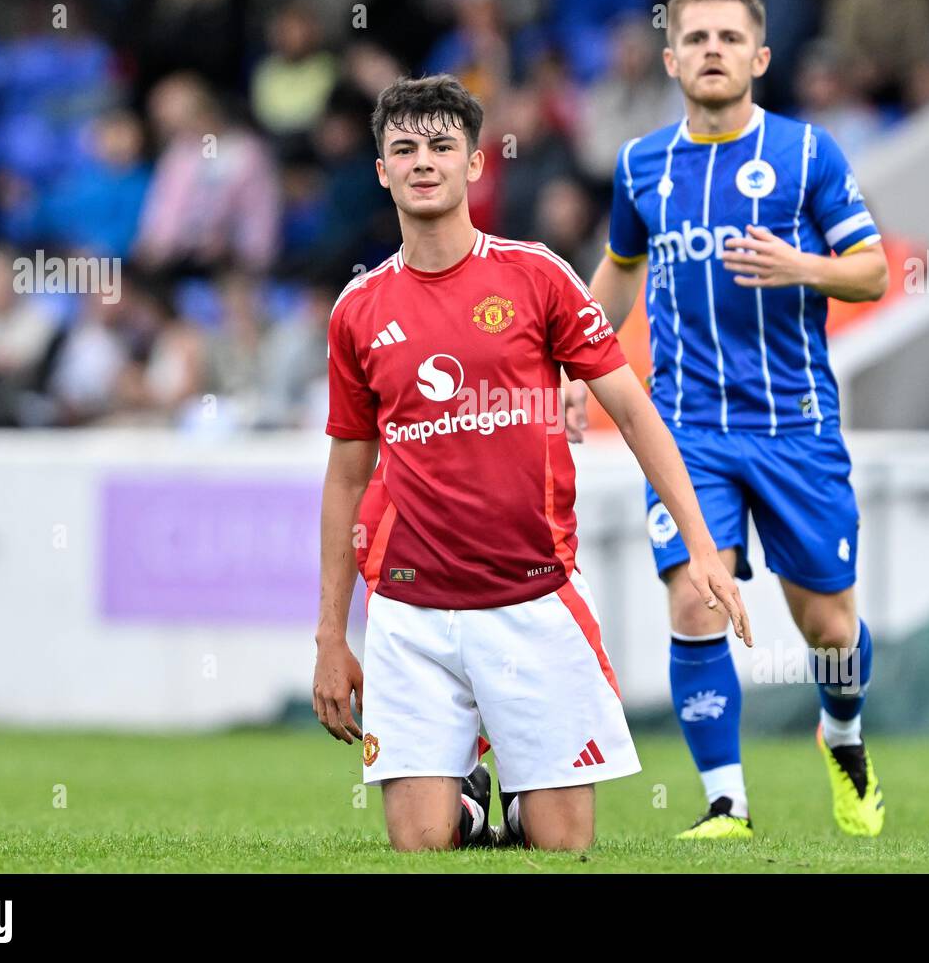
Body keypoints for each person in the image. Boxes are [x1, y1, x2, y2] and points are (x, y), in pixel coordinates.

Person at [311, 74, 751, 853]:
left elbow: (633, 408)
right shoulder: (358, 309)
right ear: (380, 170)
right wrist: (329, 637)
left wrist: (704, 544)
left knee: (562, 846)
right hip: (411, 608)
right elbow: (348, 474)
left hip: (532, 597)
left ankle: (515, 797)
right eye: (404, 149)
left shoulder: (537, 275)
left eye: (441, 147)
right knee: (421, 843)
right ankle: (469, 801)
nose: (423, 163)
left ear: (475, 164)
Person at [573, 0, 890, 839]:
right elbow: (622, 271)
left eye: (729, 37)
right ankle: (727, 803)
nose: (712, 49)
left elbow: (872, 270)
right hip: (686, 429)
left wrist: (801, 264)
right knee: (695, 602)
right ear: (671, 59)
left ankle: (845, 735)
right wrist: (577, 363)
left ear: (760, 57)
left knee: (828, 625)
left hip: (797, 425)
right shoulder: (642, 164)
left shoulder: (808, 152)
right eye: (695, 37)